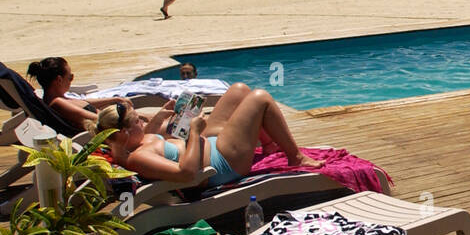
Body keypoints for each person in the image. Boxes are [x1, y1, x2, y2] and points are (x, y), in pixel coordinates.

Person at [89, 82, 321, 188]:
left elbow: (153, 141)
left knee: (238, 90)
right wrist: (194, 132)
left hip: (208, 144)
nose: (142, 121)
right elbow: (187, 173)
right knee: (259, 97)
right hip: (224, 162)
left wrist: (161, 119)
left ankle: (269, 146)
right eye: (137, 121)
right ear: (124, 133)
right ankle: (295, 157)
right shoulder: (137, 158)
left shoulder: (128, 146)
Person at [26, 57, 131, 128]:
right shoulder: (58, 103)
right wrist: (130, 118)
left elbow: (83, 103)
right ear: (59, 80)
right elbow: (97, 119)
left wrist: (115, 99)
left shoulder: (55, 99)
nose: (71, 80)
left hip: (115, 122)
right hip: (114, 129)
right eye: (70, 77)